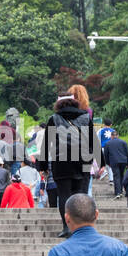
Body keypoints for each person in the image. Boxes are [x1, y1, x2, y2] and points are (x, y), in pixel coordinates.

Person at [38, 94, 98, 237]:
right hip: (83, 160)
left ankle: (67, 227)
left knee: (64, 194)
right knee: (81, 194)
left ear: (59, 106)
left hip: (61, 161)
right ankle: (82, 227)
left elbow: (47, 144)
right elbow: (94, 142)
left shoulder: (54, 119)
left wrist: (43, 165)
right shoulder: (85, 118)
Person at [101, 125, 128, 199]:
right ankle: (121, 191)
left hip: (114, 162)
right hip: (123, 161)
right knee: (121, 175)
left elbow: (106, 155)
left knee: (116, 176)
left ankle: (118, 192)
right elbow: (127, 153)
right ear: (118, 135)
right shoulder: (123, 142)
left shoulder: (107, 144)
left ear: (111, 136)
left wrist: (108, 163)